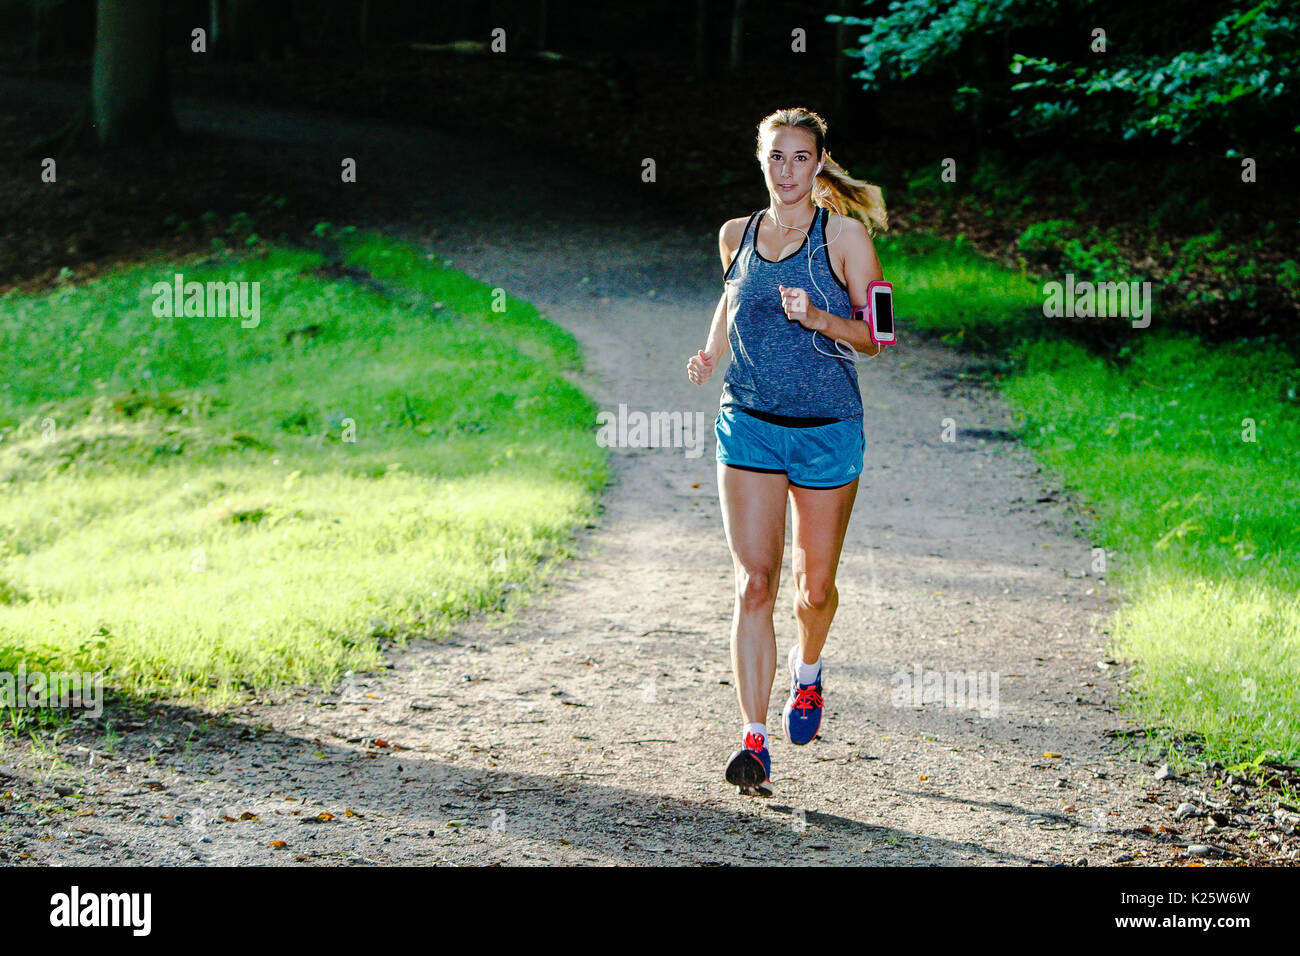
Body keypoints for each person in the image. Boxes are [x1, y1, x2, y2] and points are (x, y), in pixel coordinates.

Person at [686, 107, 888, 795]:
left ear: (820, 163)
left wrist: (821, 317)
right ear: (761, 160)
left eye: (801, 157)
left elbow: (881, 335)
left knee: (815, 588)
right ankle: (753, 738)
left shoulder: (846, 238)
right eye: (777, 157)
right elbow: (732, 297)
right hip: (749, 425)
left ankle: (809, 673)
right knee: (754, 584)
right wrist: (712, 353)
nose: (788, 170)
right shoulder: (735, 235)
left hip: (828, 427)